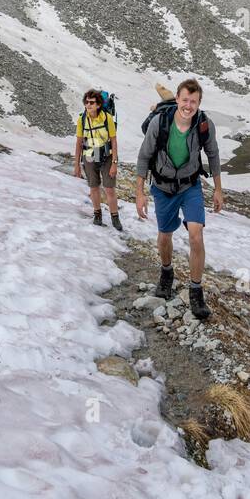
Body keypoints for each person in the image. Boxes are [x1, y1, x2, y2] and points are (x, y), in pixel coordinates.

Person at [135, 78, 222, 319]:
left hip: (190, 185)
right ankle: (166, 272)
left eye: (193, 101)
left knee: (196, 234)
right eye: (185, 100)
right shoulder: (160, 123)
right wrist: (139, 193)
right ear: (177, 99)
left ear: (199, 103)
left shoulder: (204, 124)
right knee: (165, 235)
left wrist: (217, 189)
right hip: (162, 187)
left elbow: (213, 155)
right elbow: (144, 157)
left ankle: (196, 291)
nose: (188, 105)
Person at [74, 90, 123, 231]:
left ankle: (115, 218)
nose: (88, 105)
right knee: (94, 186)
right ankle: (97, 215)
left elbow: (114, 141)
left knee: (109, 188)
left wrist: (114, 164)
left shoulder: (107, 118)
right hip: (90, 153)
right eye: (87, 102)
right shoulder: (82, 119)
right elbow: (78, 143)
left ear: (98, 104)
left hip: (106, 154)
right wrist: (76, 165)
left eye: (92, 102)